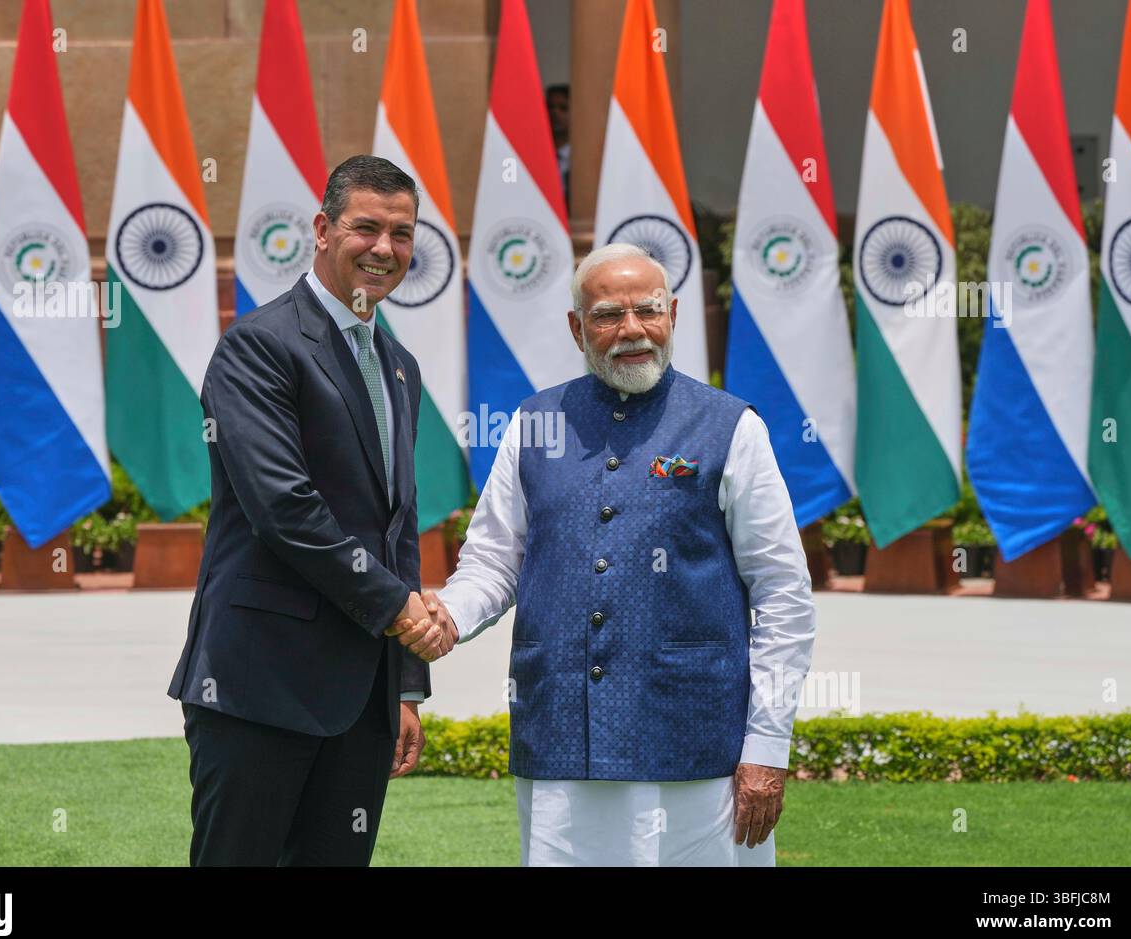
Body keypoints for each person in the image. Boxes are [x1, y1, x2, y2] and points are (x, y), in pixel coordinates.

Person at [424, 243, 816, 866]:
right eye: (608, 315)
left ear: (673, 315)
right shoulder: (533, 424)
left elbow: (782, 593)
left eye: (648, 311)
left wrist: (767, 746)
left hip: (696, 741)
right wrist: (447, 616)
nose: (631, 330)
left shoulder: (731, 426)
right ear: (577, 327)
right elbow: (495, 562)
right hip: (560, 737)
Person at [168, 155, 455, 867]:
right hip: (258, 685)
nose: (384, 249)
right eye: (366, 228)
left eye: (402, 233)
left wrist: (406, 683)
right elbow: (284, 508)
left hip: (363, 699)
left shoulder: (398, 365)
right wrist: (399, 610)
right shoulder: (258, 347)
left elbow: (398, 525)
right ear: (323, 230)